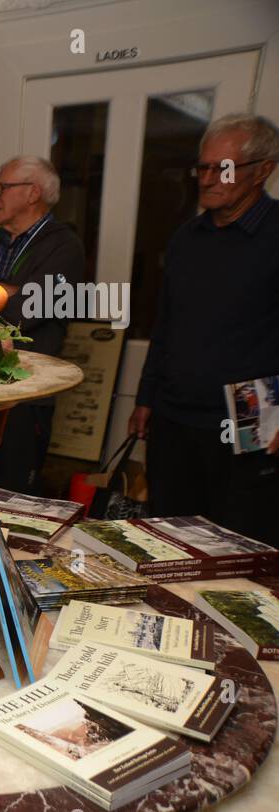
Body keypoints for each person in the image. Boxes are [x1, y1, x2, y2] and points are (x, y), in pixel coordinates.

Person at [130, 113, 279, 546]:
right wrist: (145, 397)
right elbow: (166, 324)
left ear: (262, 170)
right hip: (174, 418)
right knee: (170, 539)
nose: (208, 178)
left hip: (253, 417)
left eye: (223, 168)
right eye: (204, 167)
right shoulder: (185, 239)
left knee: (239, 544)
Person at [0, 155, 85, 494]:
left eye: (2, 187)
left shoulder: (65, 246)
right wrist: (7, 291)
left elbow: (32, 308)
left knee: (15, 495)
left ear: (33, 193)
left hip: (26, 393)